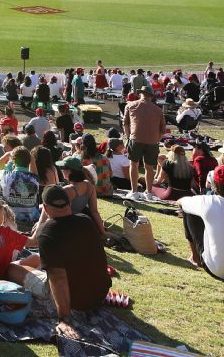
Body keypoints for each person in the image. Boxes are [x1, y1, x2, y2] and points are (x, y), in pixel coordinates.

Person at [37, 185, 111, 318]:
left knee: (14, 269)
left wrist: (64, 318)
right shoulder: (86, 220)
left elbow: (58, 278)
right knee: (35, 259)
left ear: (45, 208)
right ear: (69, 203)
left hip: (75, 302)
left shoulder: (47, 233)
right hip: (100, 294)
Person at [122, 87, 166, 199]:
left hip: (135, 139)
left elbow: (125, 124)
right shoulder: (158, 110)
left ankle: (134, 191)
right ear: (151, 96)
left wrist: (128, 137)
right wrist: (156, 140)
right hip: (152, 141)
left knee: (134, 164)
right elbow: (162, 131)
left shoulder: (130, 105)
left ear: (140, 94)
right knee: (149, 167)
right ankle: (149, 192)